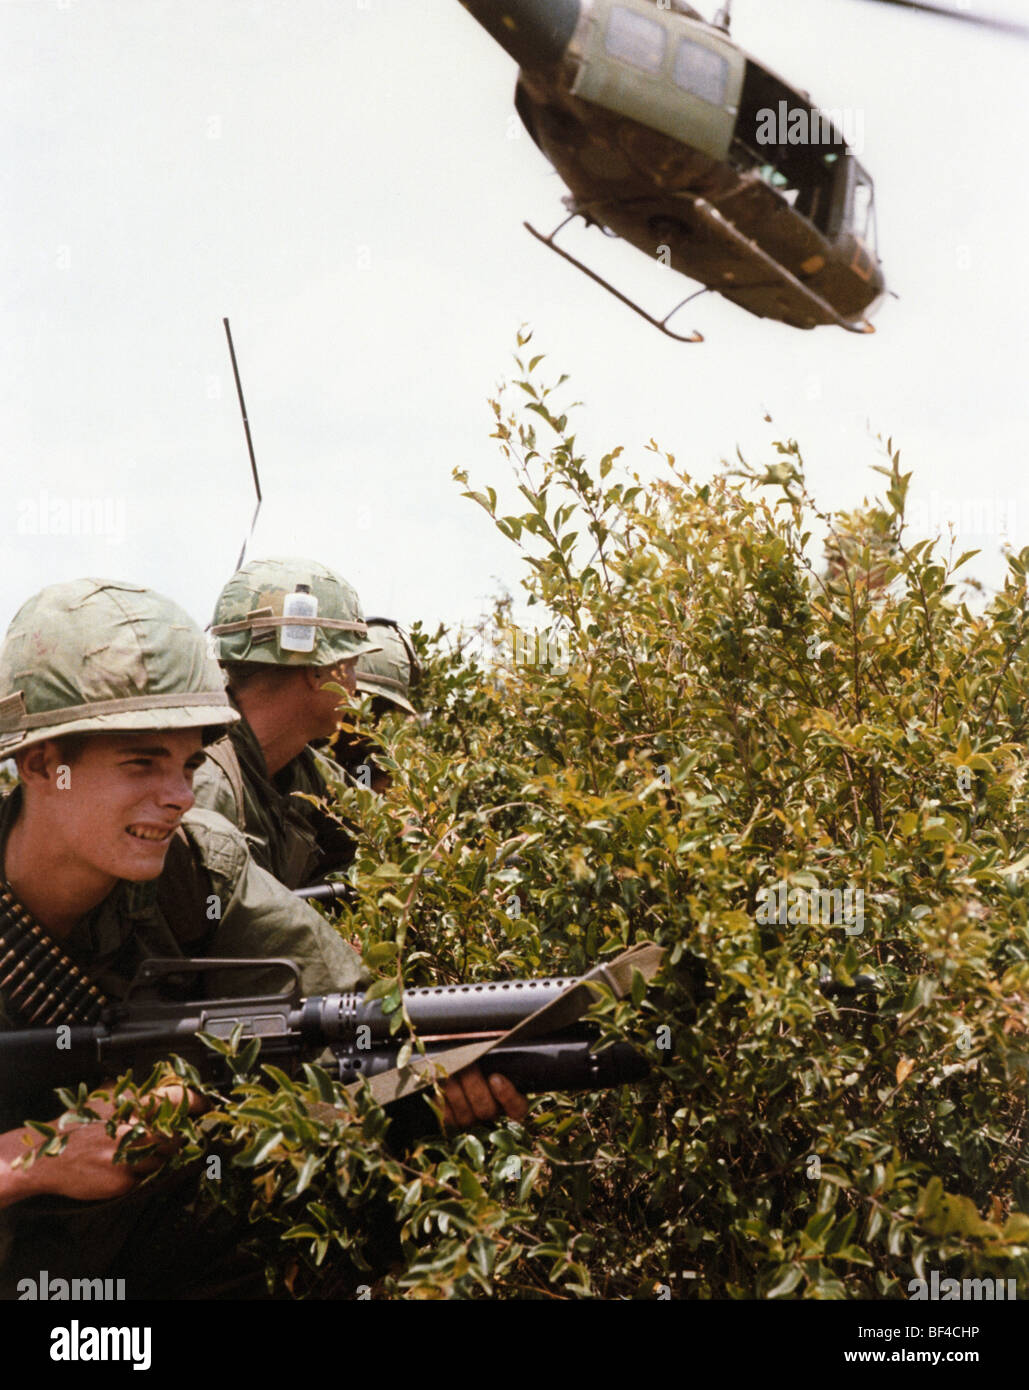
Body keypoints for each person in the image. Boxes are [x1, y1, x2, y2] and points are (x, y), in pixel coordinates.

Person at [0, 578, 526, 1298]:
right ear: (40, 765)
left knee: (351, 1186)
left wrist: (433, 1080)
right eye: (141, 763)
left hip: (113, 1255)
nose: (180, 795)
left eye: (188, 763)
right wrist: (38, 1159)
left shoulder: (195, 867)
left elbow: (349, 1018)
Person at [191, 557, 375, 890]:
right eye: (350, 665)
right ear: (316, 670)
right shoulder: (206, 789)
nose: (354, 684)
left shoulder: (301, 765)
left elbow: (385, 827)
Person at [334, 616, 421, 794]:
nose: (372, 721)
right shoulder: (301, 754)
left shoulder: (366, 762)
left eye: (382, 709)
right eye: (368, 705)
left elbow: (362, 807)